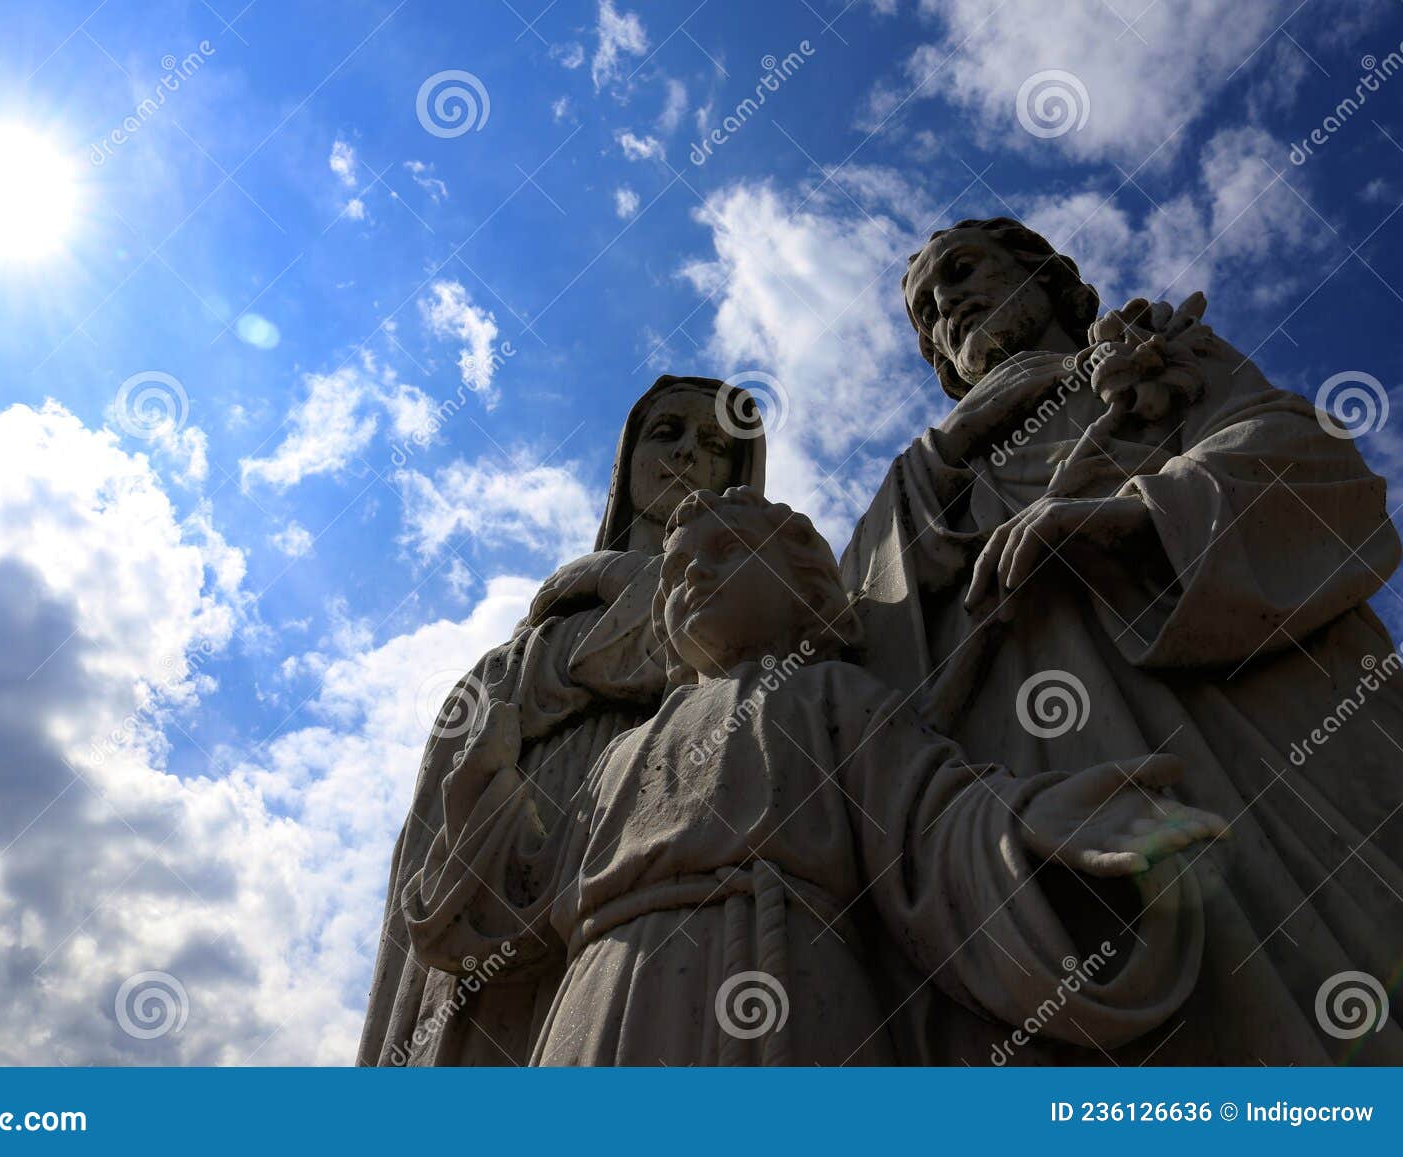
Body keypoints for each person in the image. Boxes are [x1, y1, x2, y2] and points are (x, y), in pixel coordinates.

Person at [841, 217, 1403, 1063]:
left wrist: (1135, 517)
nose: (946, 305)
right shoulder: (931, 485)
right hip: (1061, 778)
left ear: (1047, 277)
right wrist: (943, 453)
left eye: (961, 271)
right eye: (925, 313)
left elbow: (1315, 464)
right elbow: (862, 649)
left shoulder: (1154, 361)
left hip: (1267, 728)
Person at [406, 487, 1222, 1065]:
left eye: (727, 551)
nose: (691, 576)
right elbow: (524, 905)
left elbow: (930, 817)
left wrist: (1036, 824)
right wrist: (484, 790)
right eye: (677, 569)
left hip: (783, 973)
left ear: (804, 587)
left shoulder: (830, 694)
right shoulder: (623, 751)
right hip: (598, 1000)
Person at [357, 375, 765, 1065]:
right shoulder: (528, 639)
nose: (687, 454)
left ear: (737, 472)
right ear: (627, 462)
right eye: (666, 433)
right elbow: (469, 740)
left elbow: (718, 660)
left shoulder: (750, 601)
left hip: (644, 855)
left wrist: (617, 579)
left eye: (714, 444)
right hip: (499, 863)